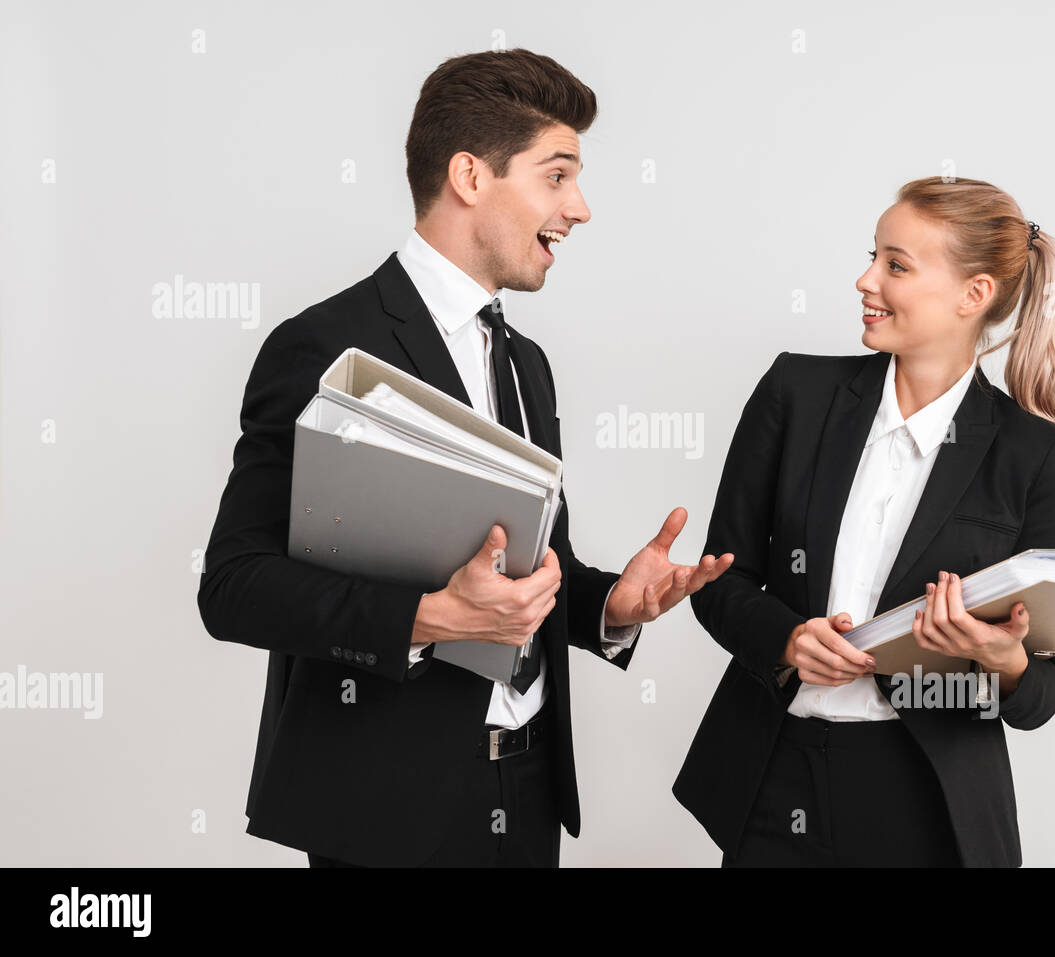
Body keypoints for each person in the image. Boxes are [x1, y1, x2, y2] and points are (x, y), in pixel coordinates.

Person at [197, 48, 732, 868]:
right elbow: (233, 588)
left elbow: (517, 568)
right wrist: (430, 618)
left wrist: (607, 607)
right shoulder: (322, 347)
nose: (580, 207)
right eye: (558, 176)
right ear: (471, 176)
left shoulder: (528, 363)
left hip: (526, 798)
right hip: (385, 812)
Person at [673, 176, 1055, 867]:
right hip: (776, 779)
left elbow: (1044, 689)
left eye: (896, 264)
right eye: (874, 255)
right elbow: (720, 581)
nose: (865, 279)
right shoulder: (795, 394)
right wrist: (786, 639)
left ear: (973, 294)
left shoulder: (1033, 453)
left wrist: (1005, 660)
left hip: (927, 800)